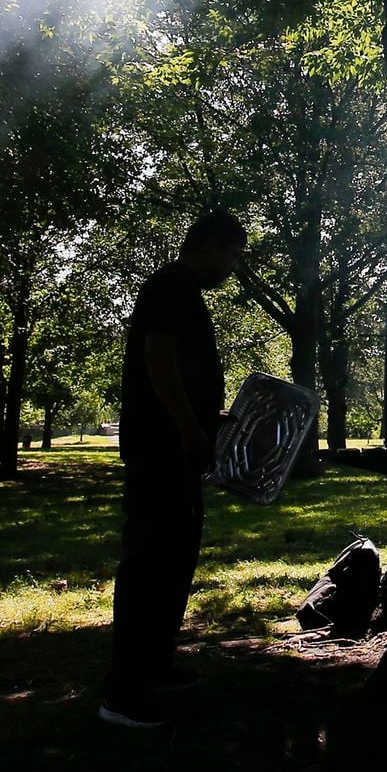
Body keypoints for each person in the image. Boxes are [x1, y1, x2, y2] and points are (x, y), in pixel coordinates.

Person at [99, 208, 248, 729]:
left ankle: (155, 667)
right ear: (207, 245)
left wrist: (210, 417)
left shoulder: (184, 293)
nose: (233, 266)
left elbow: (180, 369)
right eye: (232, 253)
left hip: (179, 453)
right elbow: (158, 358)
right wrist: (187, 426)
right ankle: (124, 692)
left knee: (174, 561)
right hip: (160, 451)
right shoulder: (169, 287)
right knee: (149, 566)